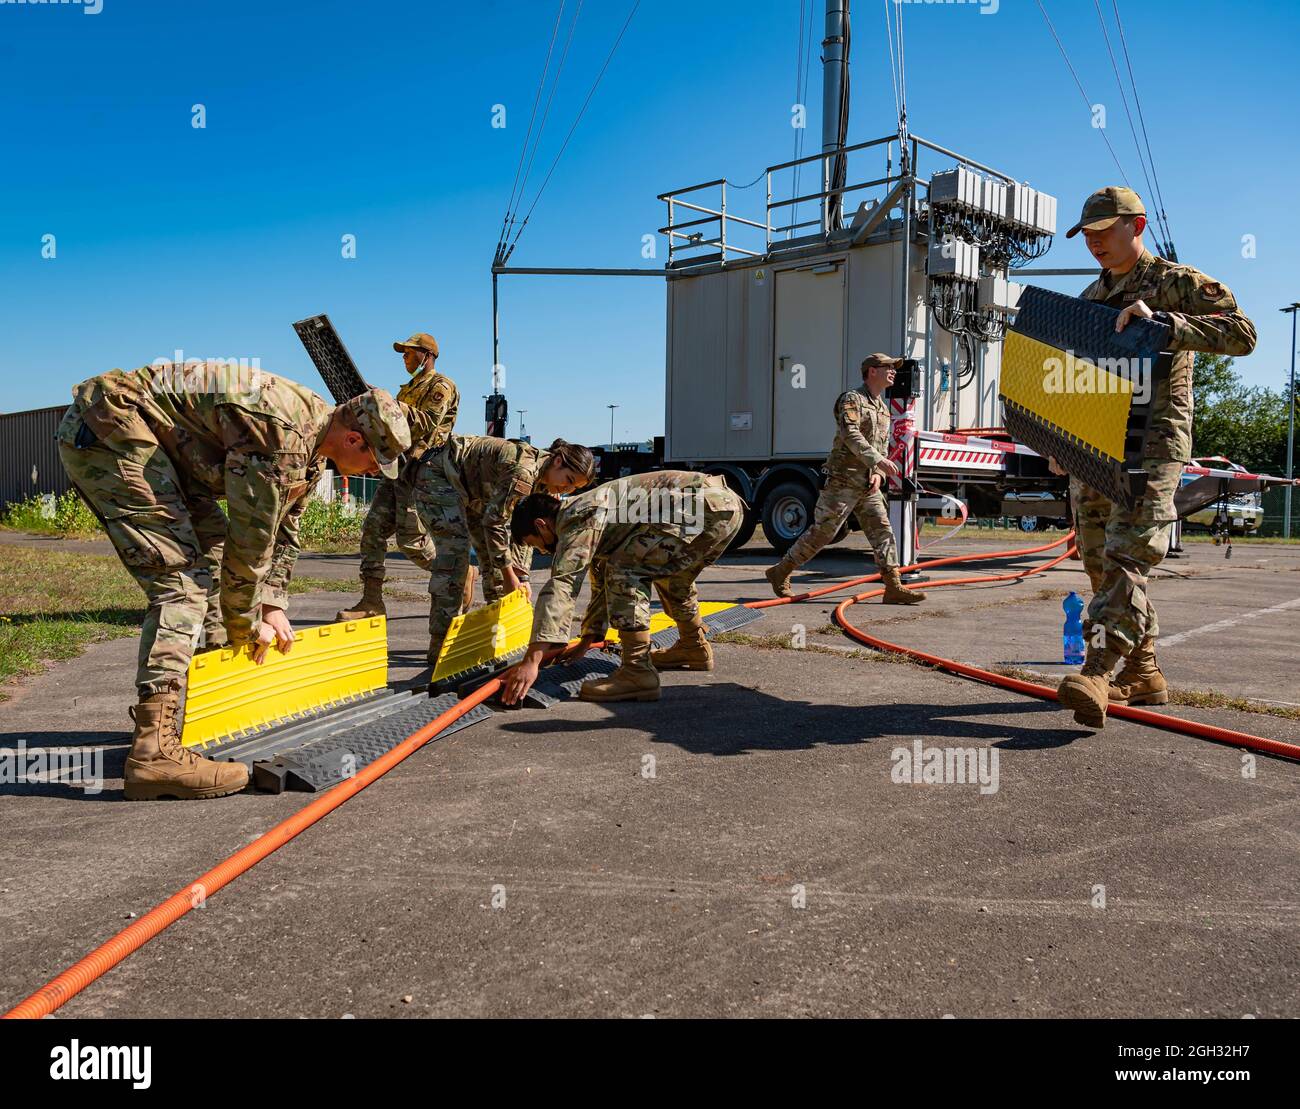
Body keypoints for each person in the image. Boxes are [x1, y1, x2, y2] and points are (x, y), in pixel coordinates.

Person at [58, 359, 411, 800]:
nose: (375, 473)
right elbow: (251, 544)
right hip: (113, 429)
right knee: (182, 583)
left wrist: (274, 603)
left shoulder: (313, 445)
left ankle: (202, 712)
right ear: (354, 438)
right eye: (375, 461)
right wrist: (247, 626)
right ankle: (153, 756)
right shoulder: (282, 435)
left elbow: (284, 530)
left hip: (164, 450)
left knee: (215, 561)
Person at [1053, 187, 1256, 728]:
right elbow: (1081, 373)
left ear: (1136, 226)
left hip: (1154, 443)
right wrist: (1061, 439)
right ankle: (1143, 672)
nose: (1094, 242)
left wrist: (1168, 324)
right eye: (1087, 234)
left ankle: (1097, 671)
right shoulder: (1093, 295)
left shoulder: (1175, 281)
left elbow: (1243, 334)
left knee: (1129, 554)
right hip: (1096, 444)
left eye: (1104, 230)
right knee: (1098, 561)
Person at [501, 471, 746, 705]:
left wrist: (531, 661)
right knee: (671, 577)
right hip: (723, 507)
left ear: (541, 525)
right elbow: (600, 583)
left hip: (701, 508)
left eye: (536, 545)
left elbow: (563, 582)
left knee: (626, 568)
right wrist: (587, 639)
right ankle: (693, 646)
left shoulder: (577, 517)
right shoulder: (589, 515)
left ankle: (636, 672)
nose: (544, 552)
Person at [412, 435, 595, 666]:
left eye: (573, 487)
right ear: (557, 461)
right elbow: (495, 523)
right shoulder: (523, 473)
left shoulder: (546, 484)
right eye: (568, 480)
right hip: (439, 476)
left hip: (474, 493)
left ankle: (495, 637)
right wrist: (510, 575)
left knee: (497, 566)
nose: (565, 489)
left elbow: (523, 533)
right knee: (455, 557)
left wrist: (521, 576)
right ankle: (441, 646)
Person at [764, 353, 925, 604]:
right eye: (888, 367)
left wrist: (878, 474)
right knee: (823, 533)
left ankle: (892, 586)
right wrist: (877, 461)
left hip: (866, 484)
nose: (894, 371)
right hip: (843, 480)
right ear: (872, 371)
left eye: (895, 368)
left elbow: (881, 446)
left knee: (882, 530)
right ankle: (780, 572)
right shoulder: (852, 400)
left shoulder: (882, 408)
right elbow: (850, 435)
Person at [336, 332, 458, 621]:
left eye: (409, 353)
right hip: (396, 469)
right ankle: (371, 602)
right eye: (403, 353)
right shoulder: (408, 389)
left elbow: (426, 424)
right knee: (373, 531)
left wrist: (388, 402)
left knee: (411, 540)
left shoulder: (442, 386)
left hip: (423, 472)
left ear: (426, 356)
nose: (404, 357)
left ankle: (458, 572)